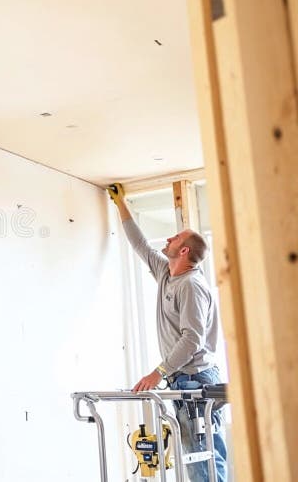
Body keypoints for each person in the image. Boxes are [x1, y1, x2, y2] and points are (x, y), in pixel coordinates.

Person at [108, 183, 228, 482]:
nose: (169, 238)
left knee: (203, 458)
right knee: (194, 457)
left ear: (184, 250)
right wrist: (120, 203)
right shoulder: (166, 273)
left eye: (176, 237)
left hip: (195, 379)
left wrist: (158, 372)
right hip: (182, 378)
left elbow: (193, 338)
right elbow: (140, 246)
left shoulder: (191, 286)